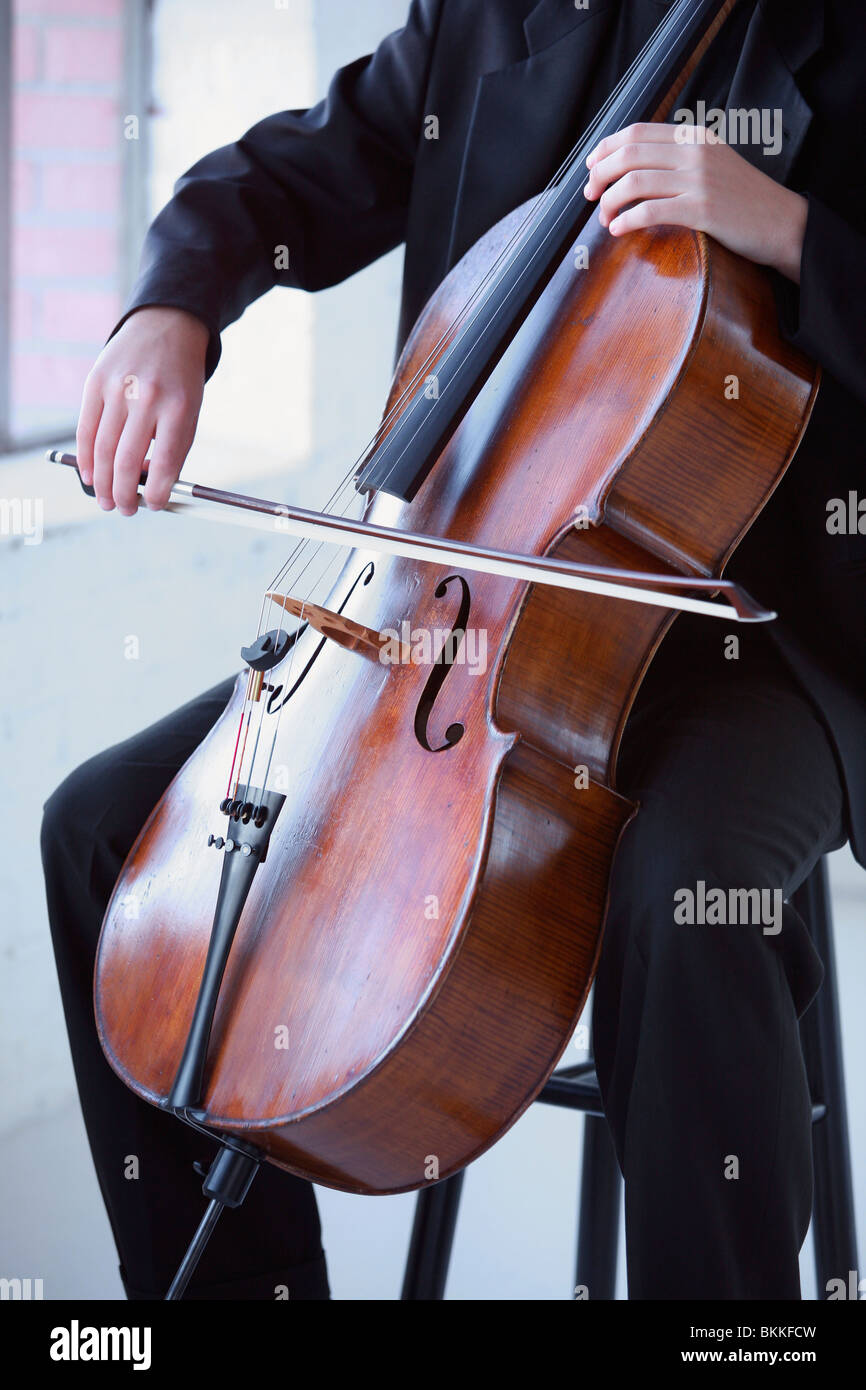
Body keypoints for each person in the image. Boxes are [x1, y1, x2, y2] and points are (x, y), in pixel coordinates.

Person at [42, 0, 865, 1300]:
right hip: (476, 608)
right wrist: (173, 302)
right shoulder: (491, 16)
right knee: (100, 827)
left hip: (763, 638)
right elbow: (310, 164)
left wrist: (795, 233)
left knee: (686, 884)